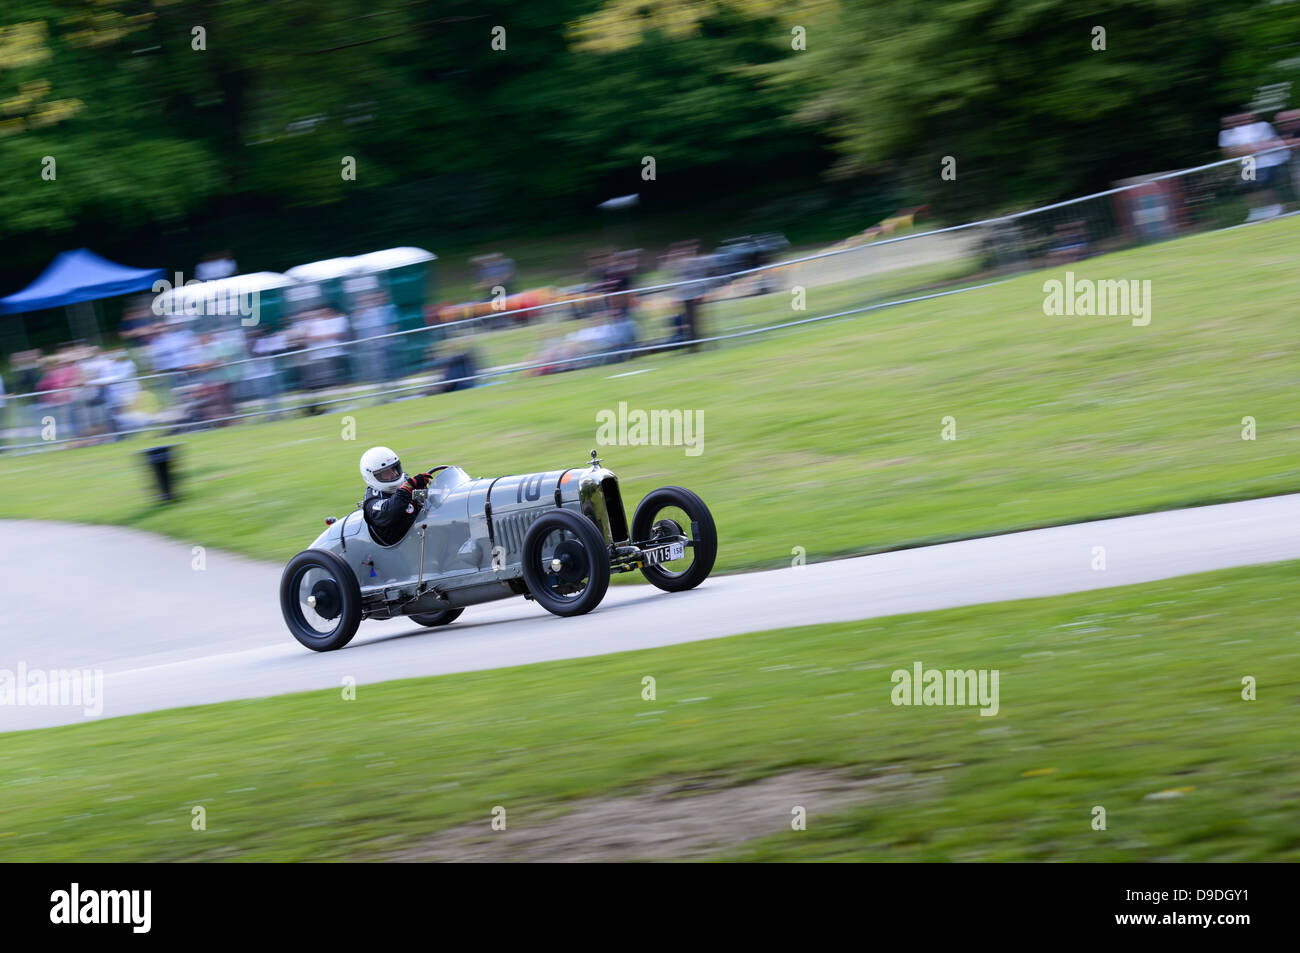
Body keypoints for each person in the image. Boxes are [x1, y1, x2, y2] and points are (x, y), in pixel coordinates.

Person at [359, 446, 439, 546]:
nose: (395, 474)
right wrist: (410, 486)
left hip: (423, 535)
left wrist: (435, 492)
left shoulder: (404, 480)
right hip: (404, 549)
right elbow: (390, 510)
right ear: (373, 476)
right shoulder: (372, 500)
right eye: (387, 472)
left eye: (394, 468)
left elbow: (415, 495)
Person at [1219, 111, 1289, 221]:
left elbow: (1267, 144)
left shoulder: (1262, 126)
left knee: (1263, 182)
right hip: (1248, 162)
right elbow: (1227, 152)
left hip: (1268, 160)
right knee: (1244, 186)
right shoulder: (1225, 134)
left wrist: (1243, 149)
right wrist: (1246, 149)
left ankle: (1276, 208)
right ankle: (1256, 211)